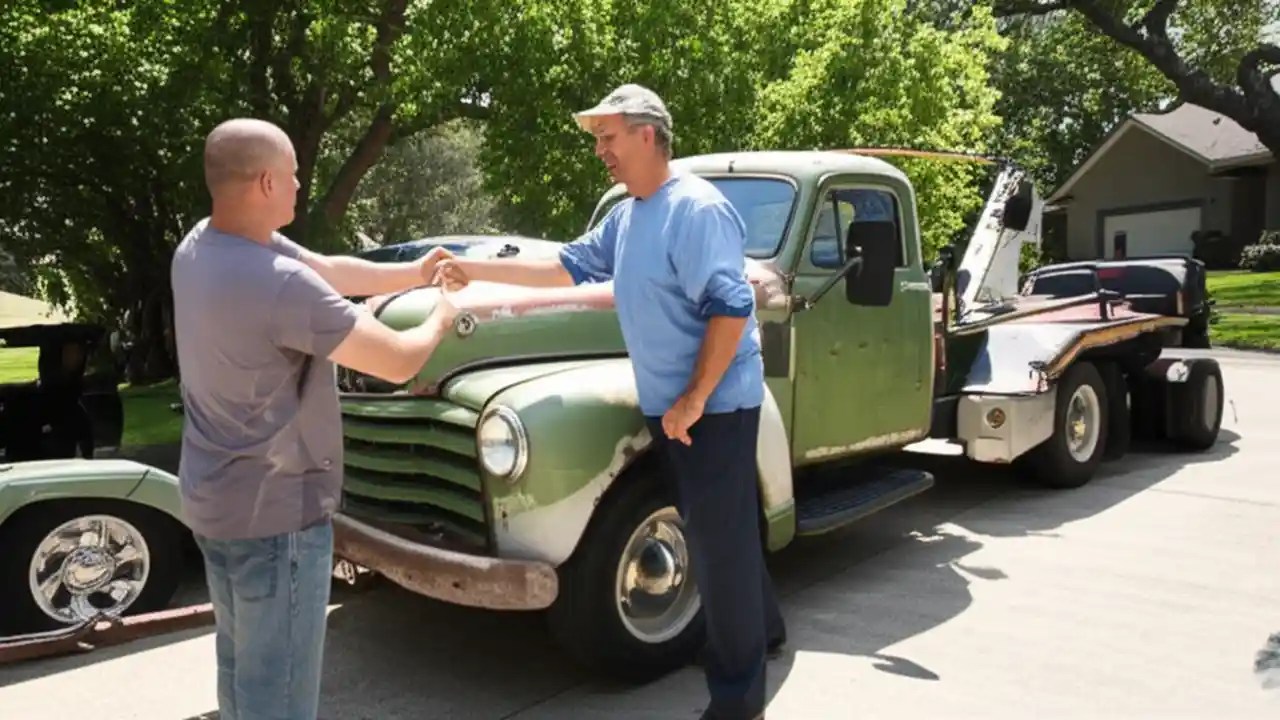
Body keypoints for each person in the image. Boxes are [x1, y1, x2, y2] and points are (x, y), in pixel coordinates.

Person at [432, 84, 786, 720]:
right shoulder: (629, 214)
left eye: (609, 138)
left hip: (715, 408)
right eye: (598, 140)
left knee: (716, 544)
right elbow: (569, 266)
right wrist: (478, 271)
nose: (601, 152)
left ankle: (737, 699)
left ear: (648, 135)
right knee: (719, 528)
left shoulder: (695, 210)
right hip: (674, 406)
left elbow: (733, 308)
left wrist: (694, 399)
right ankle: (765, 630)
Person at [170, 117, 460, 720]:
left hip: (215, 504)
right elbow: (397, 361)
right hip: (278, 522)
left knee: (242, 676)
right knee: (279, 699)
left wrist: (413, 273)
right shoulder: (277, 286)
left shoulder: (201, 243)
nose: (303, 186)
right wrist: (445, 310)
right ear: (267, 183)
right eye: (296, 175)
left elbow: (326, 267)